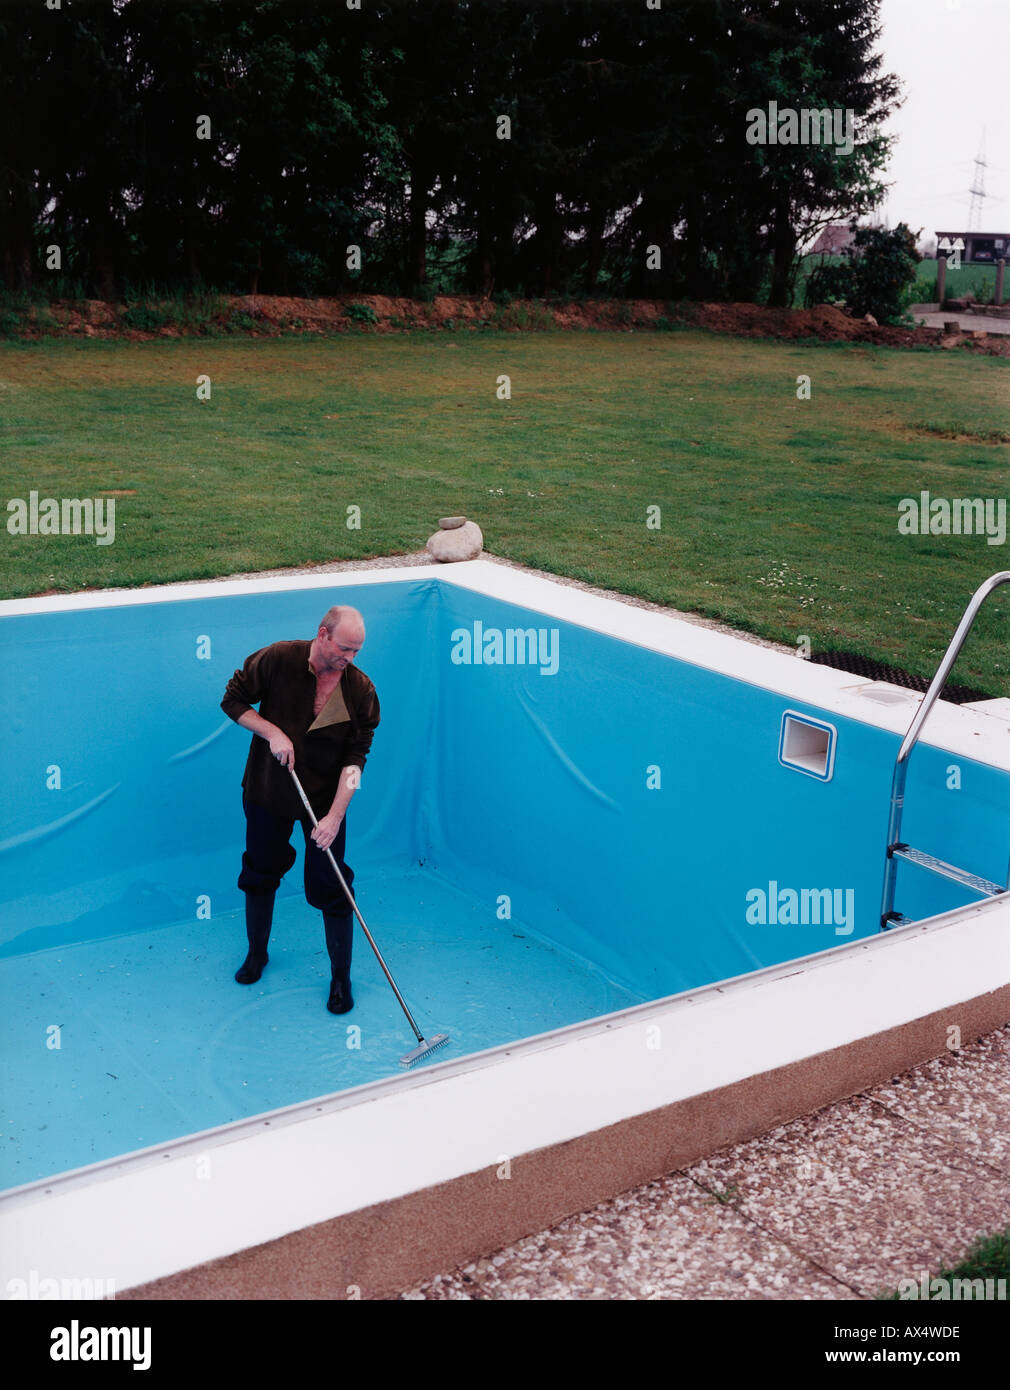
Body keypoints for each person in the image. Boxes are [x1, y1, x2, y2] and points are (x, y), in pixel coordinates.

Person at [220, 605, 380, 1014]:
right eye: (344, 648)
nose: (349, 658)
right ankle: (257, 955)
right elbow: (232, 700)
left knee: (332, 886)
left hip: (325, 803)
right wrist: (273, 733)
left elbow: (355, 762)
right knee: (260, 871)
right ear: (322, 634)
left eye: (357, 651)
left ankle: (341, 979)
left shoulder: (359, 690)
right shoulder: (278, 658)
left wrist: (334, 818)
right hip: (268, 789)